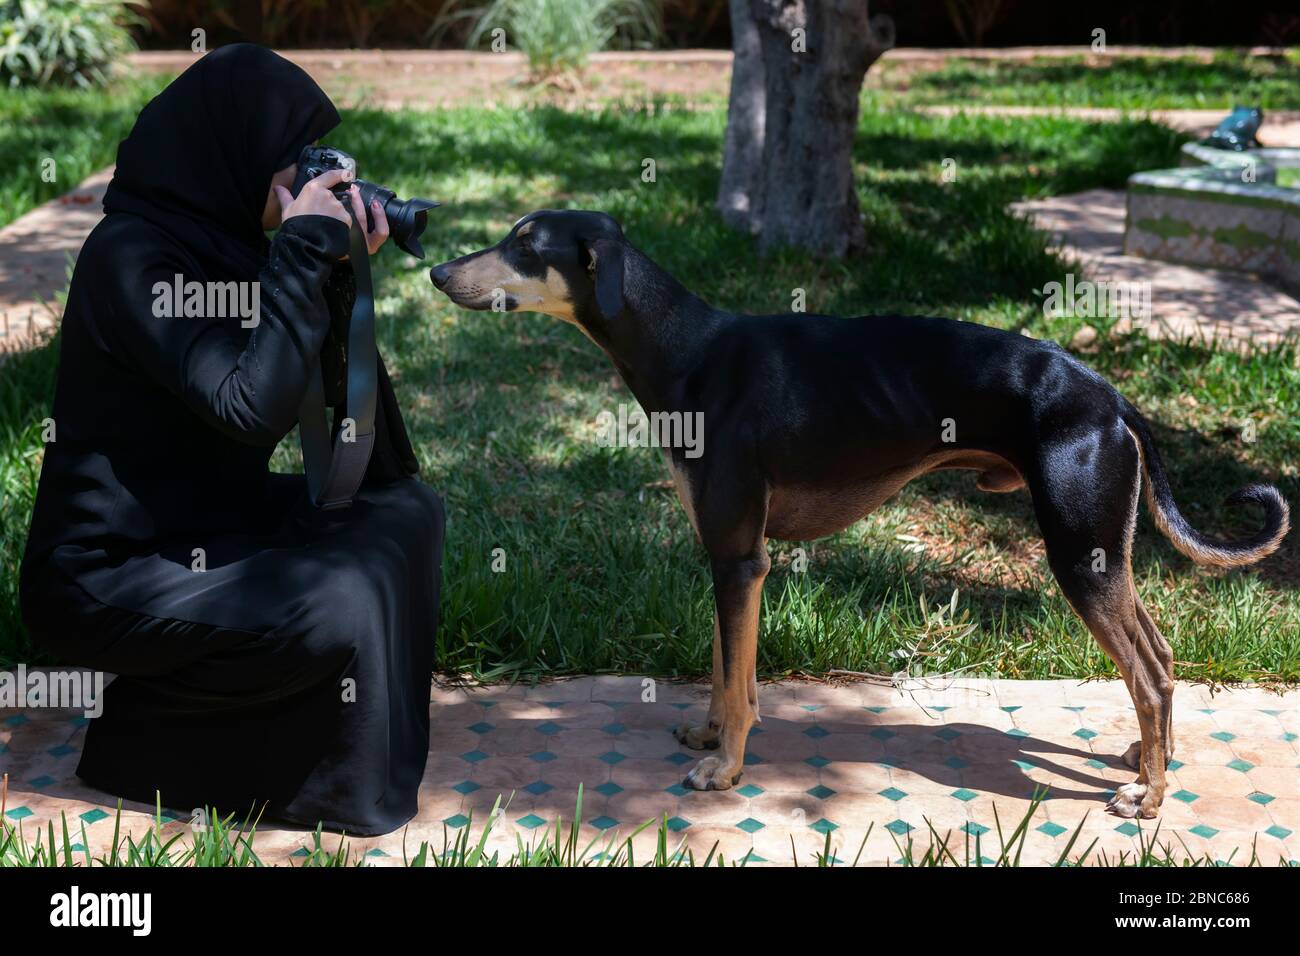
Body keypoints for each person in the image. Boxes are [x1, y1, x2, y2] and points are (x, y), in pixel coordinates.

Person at [18, 44, 445, 836]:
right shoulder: (131, 258)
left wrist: (339, 273)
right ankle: (151, 740)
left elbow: (375, 465)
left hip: (217, 522)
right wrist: (303, 255)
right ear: (231, 156)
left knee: (403, 514)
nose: (297, 193)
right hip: (108, 569)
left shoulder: (233, 245)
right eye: (291, 171)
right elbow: (248, 409)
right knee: (338, 601)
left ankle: (297, 735)